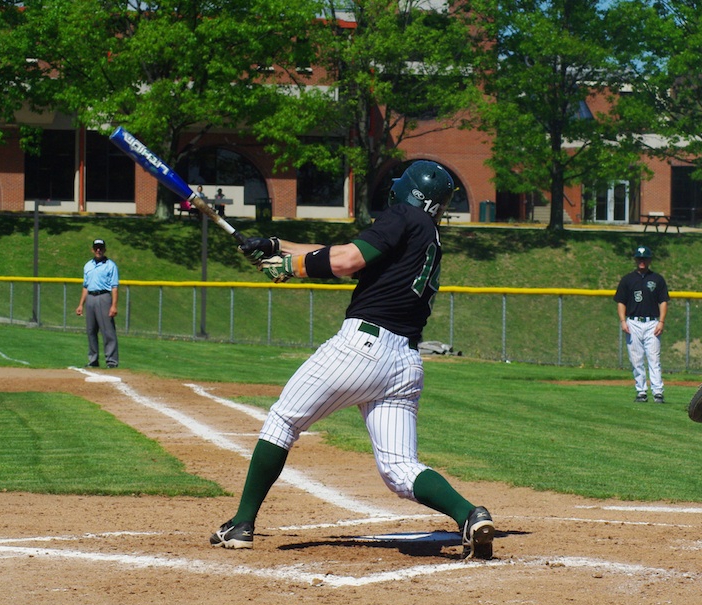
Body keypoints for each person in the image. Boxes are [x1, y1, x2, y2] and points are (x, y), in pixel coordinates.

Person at [210, 160, 496, 560]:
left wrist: (292, 267)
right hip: (404, 363)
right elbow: (345, 252)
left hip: (362, 349)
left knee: (282, 420)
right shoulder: (425, 232)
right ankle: (470, 515)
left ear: (410, 193)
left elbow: (345, 262)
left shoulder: (402, 215)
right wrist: (278, 247)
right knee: (400, 467)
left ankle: (241, 523)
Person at [614, 245, 669, 403]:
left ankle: (658, 392)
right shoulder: (628, 279)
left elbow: (663, 301)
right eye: (639, 258)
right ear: (635, 259)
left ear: (650, 260)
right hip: (633, 322)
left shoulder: (657, 279)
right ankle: (641, 391)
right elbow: (621, 302)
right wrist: (623, 321)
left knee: (654, 359)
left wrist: (661, 321)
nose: (642, 261)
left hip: (652, 322)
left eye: (644, 258)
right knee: (636, 359)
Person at [75, 238, 119, 368]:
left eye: (100, 248)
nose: (98, 250)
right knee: (91, 330)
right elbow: (85, 286)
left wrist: (114, 305)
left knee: (108, 331)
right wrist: (80, 304)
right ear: (92, 249)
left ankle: (111, 361)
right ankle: (93, 360)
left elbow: (114, 287)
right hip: (90, 298)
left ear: (104, 249)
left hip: (104, 297)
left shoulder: (110, 265)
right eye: (96, 248)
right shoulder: (88, 265)